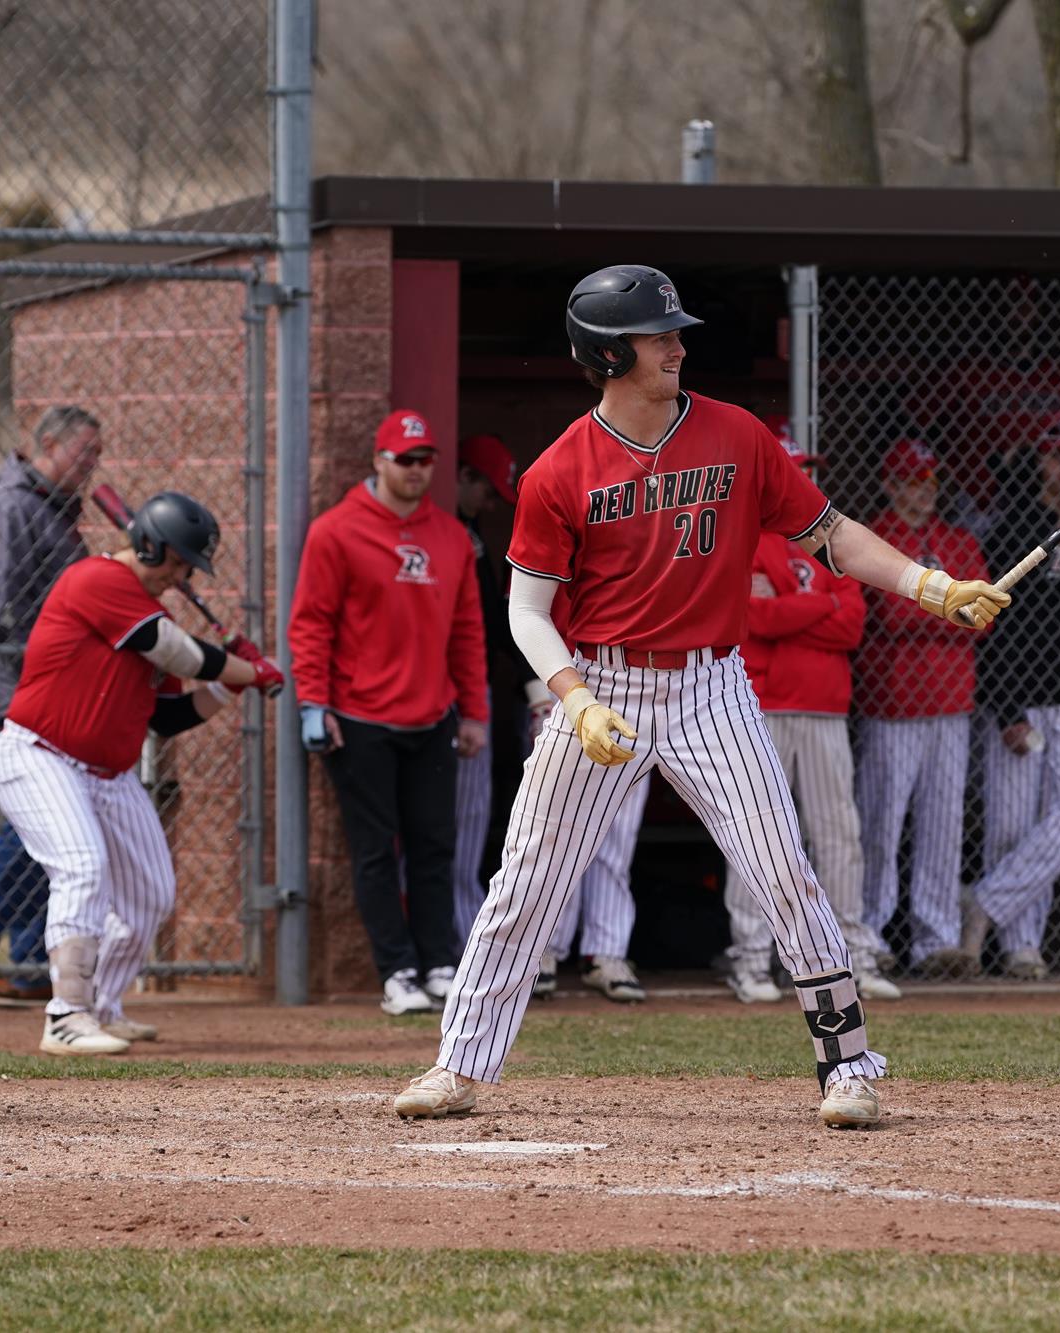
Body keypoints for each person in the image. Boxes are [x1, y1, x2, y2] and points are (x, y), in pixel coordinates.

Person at [392, 264, 1008, 1128]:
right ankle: (460, 1065)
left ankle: (848, 1068)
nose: (679, 344)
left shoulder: (738, 435)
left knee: (783, 870)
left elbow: (830, 536)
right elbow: (526, 613)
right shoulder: (560, 470)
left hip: (711, 685)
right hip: (601, 684)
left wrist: (931, 586)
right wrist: (573, 698)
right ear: (609, 354)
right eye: (659, 335)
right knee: (527, 879)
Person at [0, 493, 281, 1055]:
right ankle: (66, 1015)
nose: (179, 577)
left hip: (108, 774)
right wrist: (249, 668)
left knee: (151, 895)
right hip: (39, 754)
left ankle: (101, 1006)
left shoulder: (151, 612)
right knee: (82, 866)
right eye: (175, 562)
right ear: (148, 544)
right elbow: (171, 650)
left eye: (185, 568)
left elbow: (168, 717)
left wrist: (231, 684)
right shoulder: (96, 581)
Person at [289, 409, 489, 1016]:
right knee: (375, 850)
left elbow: (467, 632)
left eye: (425, 460)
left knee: (435, 846)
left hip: (432, 718)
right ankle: (395, 969)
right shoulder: (336, 530)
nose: (416, 471)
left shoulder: (452, 536)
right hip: (360, 720)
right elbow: (311, 624)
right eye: (404, 460)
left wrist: (475, 712)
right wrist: (312, 702)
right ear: (378, 461)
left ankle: (436, 962)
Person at [725, 415, 890, 1002]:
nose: (802, 481)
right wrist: (814, 603)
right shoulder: (746, 540)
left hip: (825, 706)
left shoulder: (831, 545)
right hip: (762, 705)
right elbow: (751, 618)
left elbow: (852, 626)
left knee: (838, 834)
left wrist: (794, 604)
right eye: (794, 471)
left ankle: (856, 956)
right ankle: (750, 960)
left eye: (808, 472)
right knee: (757, 836)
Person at [0, 404, 105, 1000]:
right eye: (84, 452)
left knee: (54, 831)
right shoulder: (17, 504)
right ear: (47, 444)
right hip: (22, 694)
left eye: (97, 454)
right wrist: (43, 672)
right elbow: (3, 608)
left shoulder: (51, 508)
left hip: (55, 696)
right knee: (31, 827)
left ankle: (25, 956)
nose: (92, 465)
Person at [966, 412, 1060, 980]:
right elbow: (995, 629)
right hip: (1023, 699)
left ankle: (983, 905)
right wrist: (1006, 710)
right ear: (1038, 461)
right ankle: (1020, 945)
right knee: (1010, 824)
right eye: (1055, 454)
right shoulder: (1013, 528)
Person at [854, 439, 989, 979]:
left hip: (952, 704)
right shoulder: (877, 536)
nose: (921, 491)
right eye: (911, 481)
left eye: (929, 482)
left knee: (942, 824)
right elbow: (887, 611)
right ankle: (871, 931)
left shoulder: (958, 540)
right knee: (881, 825)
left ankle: (936, 938)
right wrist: (946, 614)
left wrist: (933, 613)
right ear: (891, 483)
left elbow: (983, 615)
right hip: (891, 707)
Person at [451, 433, 538, 948]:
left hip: (470, 693)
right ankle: (457, 942)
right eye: (485, 490)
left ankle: (459, 940)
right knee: (452, 830)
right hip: (448, 698)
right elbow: (492, 623)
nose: (490, 503)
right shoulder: (455, 534)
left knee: (467, 824)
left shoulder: (472, 534)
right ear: (464, 477)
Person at [539, 774, 651, 1002]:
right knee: (557, 837)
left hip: (634, 739)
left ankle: (604, 953)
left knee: (617, 841)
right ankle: (541, 949)